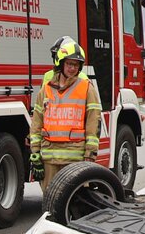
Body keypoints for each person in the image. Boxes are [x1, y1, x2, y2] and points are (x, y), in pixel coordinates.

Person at [28, 35, 101, 196]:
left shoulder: (86, 88)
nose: (72, 68)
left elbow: (93, 123)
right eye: (69, 64)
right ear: (60, 64)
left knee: (75, 202)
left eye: (76, 65)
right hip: (49, 158)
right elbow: (37, 122)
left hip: (75, 159)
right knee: (50, 201)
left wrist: (90, 154)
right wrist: (35, 152)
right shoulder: (46, 89)